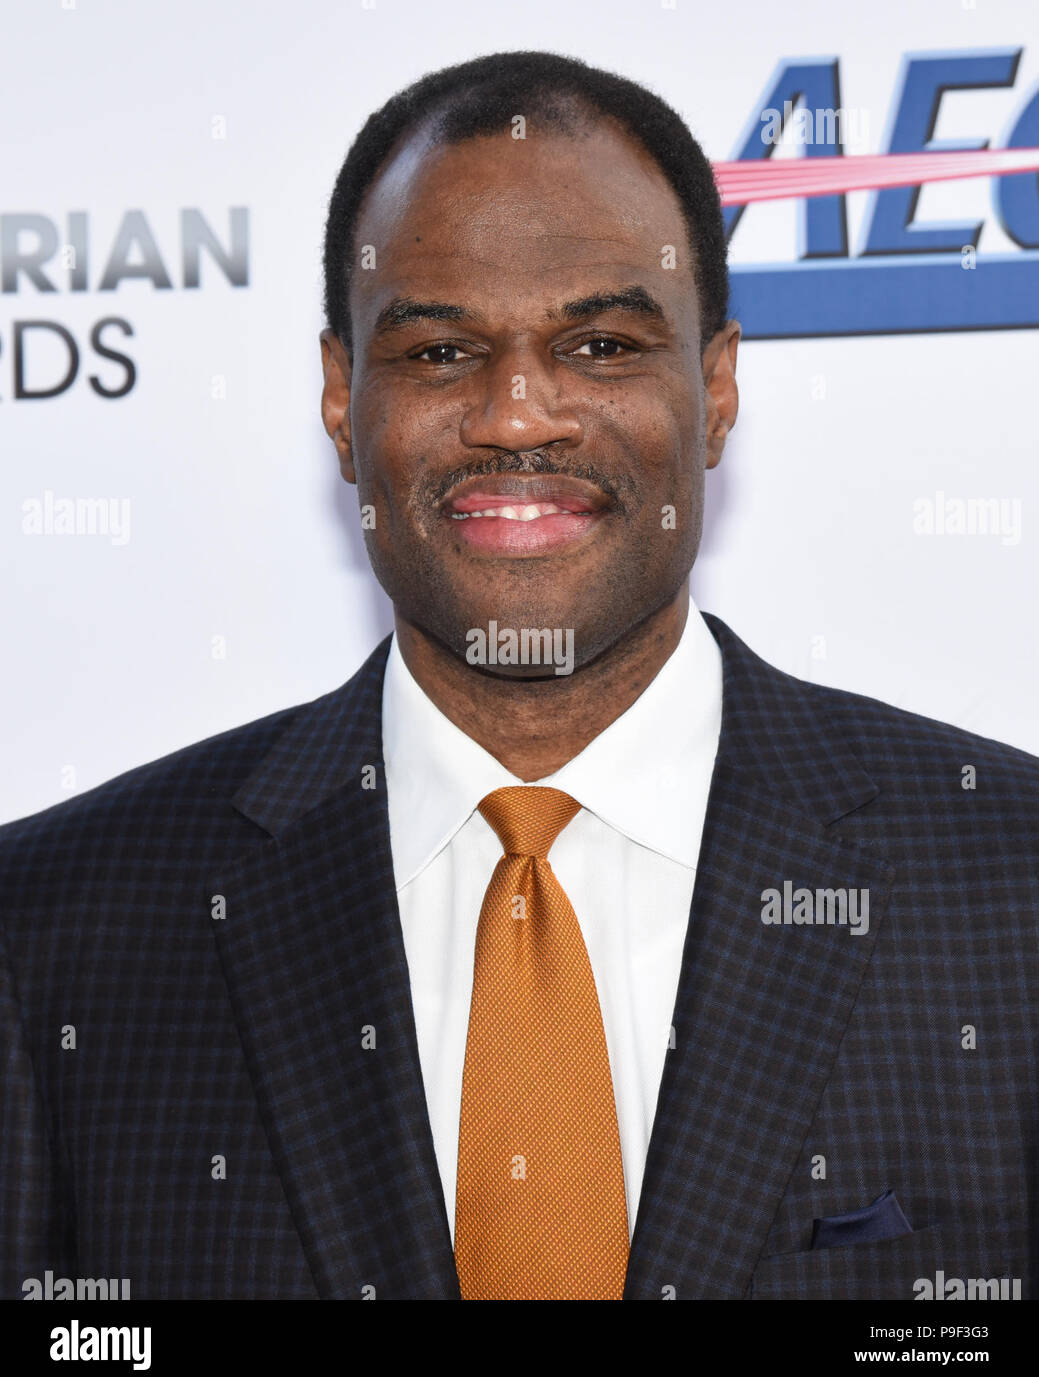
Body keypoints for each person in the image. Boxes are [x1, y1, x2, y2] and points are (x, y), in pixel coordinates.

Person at [2, 50, 1036, 1302]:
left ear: (715, 392)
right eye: (439, 354)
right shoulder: (56, 928)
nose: (520, 414)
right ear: (342, 400)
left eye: (600, 343)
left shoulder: (1008, 879)